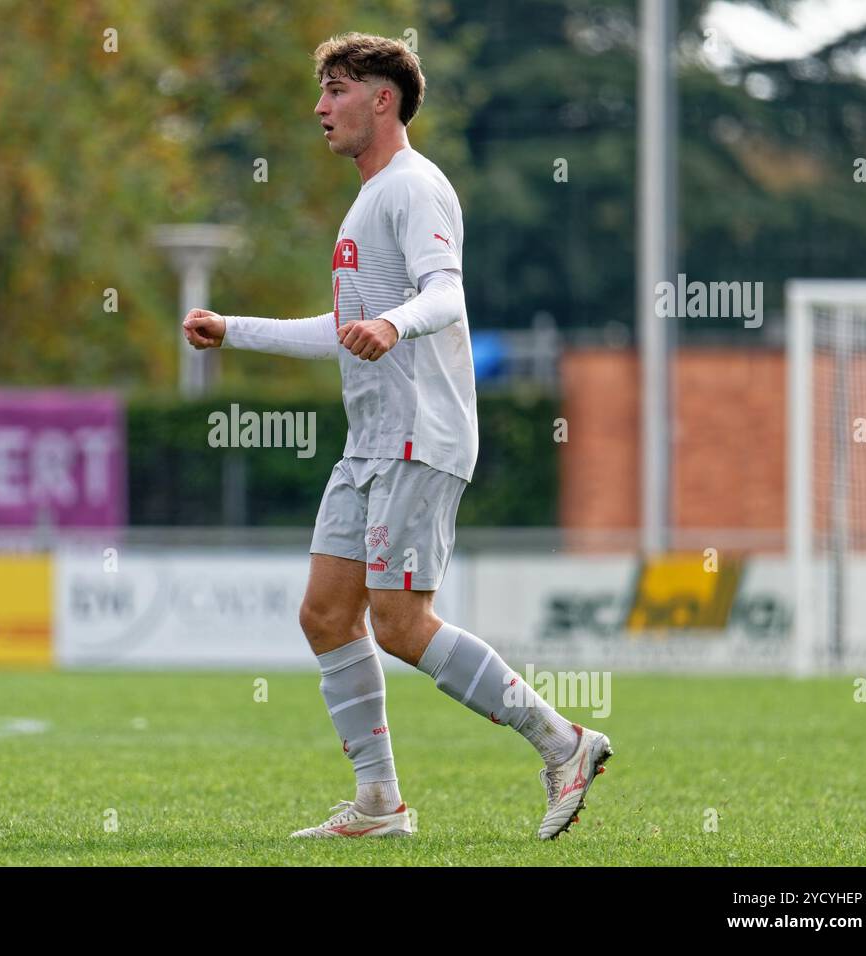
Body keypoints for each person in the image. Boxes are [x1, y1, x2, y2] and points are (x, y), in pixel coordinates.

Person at [182, 32, 611, 840]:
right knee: (324, 615)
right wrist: (231, 329)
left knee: (401, 622)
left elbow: (445, 295)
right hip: (371, 443)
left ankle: (564, 742)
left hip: (421, 434)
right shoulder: (367, 198)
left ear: (384, 98)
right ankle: (379, 804)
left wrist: (390, 321)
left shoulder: (415, 187)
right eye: (322, 92)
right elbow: (343, 329)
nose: (320, 108)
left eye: (337, 90)